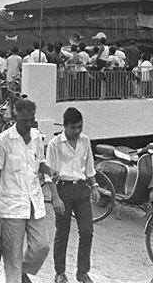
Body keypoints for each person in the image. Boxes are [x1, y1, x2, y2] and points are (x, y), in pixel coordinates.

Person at [0, 98, 56, 283]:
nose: (28, 124)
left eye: (31, 119)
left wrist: (50, 171)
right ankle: (16, 276)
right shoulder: (3, 140)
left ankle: (22, 271)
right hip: (12, 206)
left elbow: (39, 163)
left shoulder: (36, 137)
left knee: (42, 246)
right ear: (15, 117)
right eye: (25, 120)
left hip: (34, 202)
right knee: (12, 257)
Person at [46, 107, 98, 283]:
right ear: (65, 126)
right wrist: (55, 198)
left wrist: (94, 186)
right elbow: (49, 176)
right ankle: (60, 273)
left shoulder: (85, 141)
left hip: (82, 189)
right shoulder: (54, 144)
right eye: (73, 127)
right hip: (63, 190)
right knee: (63, 232)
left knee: (87, 231)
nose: (77, 131)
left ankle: (82, 272)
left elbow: (89, 168)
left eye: (79, 127)